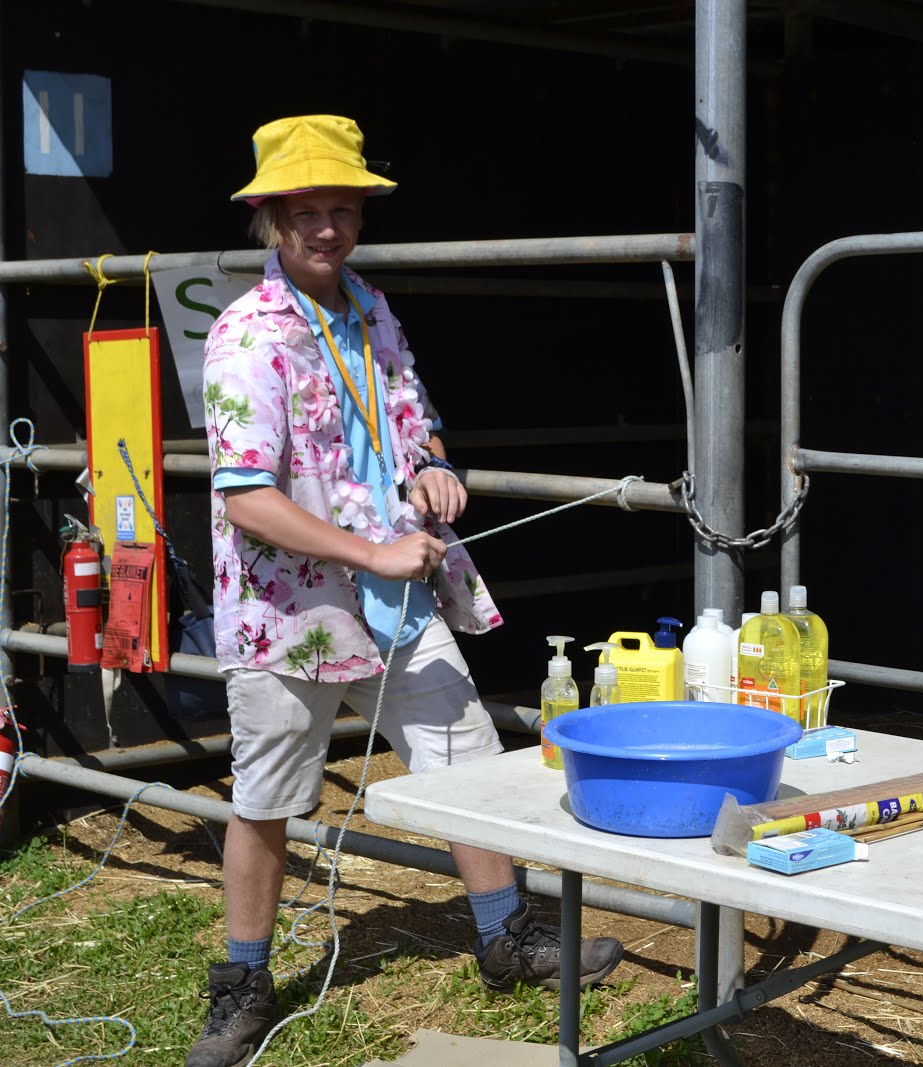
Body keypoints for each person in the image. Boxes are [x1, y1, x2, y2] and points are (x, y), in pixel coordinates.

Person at [191, 114, 622, 1067]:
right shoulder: (244, 336)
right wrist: (368, 551)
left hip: (400, 594)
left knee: (466, 757)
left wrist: (430, 469)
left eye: (341, 208)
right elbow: (247, 499)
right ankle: (242, 981)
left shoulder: (372, 309)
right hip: (291, 609)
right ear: (269, 217)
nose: (326, 229)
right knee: (266, 796)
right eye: (305, 212)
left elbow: (410, 419)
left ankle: (505, 934)